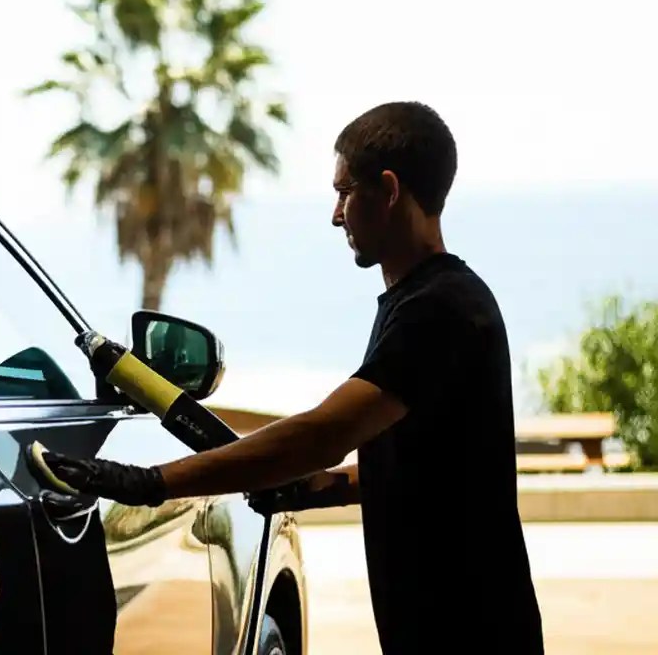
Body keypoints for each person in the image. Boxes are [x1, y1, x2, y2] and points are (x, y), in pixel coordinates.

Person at [31, 102, 545, 655]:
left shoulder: (439, 309)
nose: (336, 214)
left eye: (345, 191)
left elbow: (321, 433)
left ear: (389, 190)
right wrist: (322, 487)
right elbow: (432, 464)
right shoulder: (430, 301)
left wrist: (145, 482)